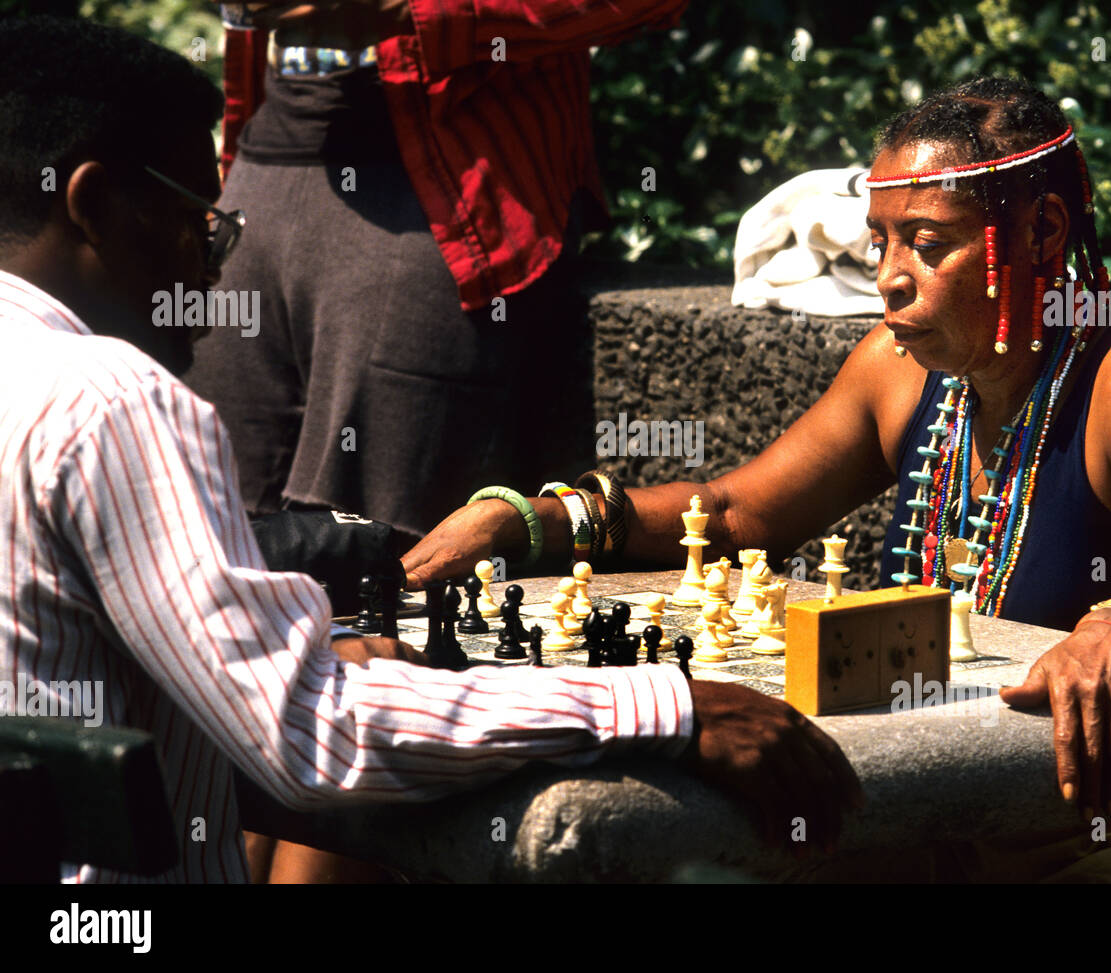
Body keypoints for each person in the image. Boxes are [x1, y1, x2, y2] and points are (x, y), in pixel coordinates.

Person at [0, 15, 859, 883]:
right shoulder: (114, 401)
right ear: (96, 205)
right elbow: (312, 733)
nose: (215, 267)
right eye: (199, 221)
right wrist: (664, 704)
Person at [403, 76, 1111, 882]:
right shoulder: (898, 367)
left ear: (1043, 232)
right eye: (879, 245)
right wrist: (533, 521)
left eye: (927, 244)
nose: (890, 282)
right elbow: (740, 511)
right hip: (953, 795)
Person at [184, 0, 687, 541]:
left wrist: (409, 9)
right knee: (205, 526)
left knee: (375, 552)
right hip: (264, 170)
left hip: (454, 185)